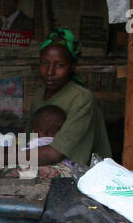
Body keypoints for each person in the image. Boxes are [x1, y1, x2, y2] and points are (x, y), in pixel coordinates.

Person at [30, 29, 113, 167]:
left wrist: (5, 157)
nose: (50, 72)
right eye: (45, 63)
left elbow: (54, 153)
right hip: (47, 164)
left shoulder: (81, 98)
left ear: (72, 67)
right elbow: (29, 138)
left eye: (60, 65)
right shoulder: (39, 95)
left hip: (85, 174)